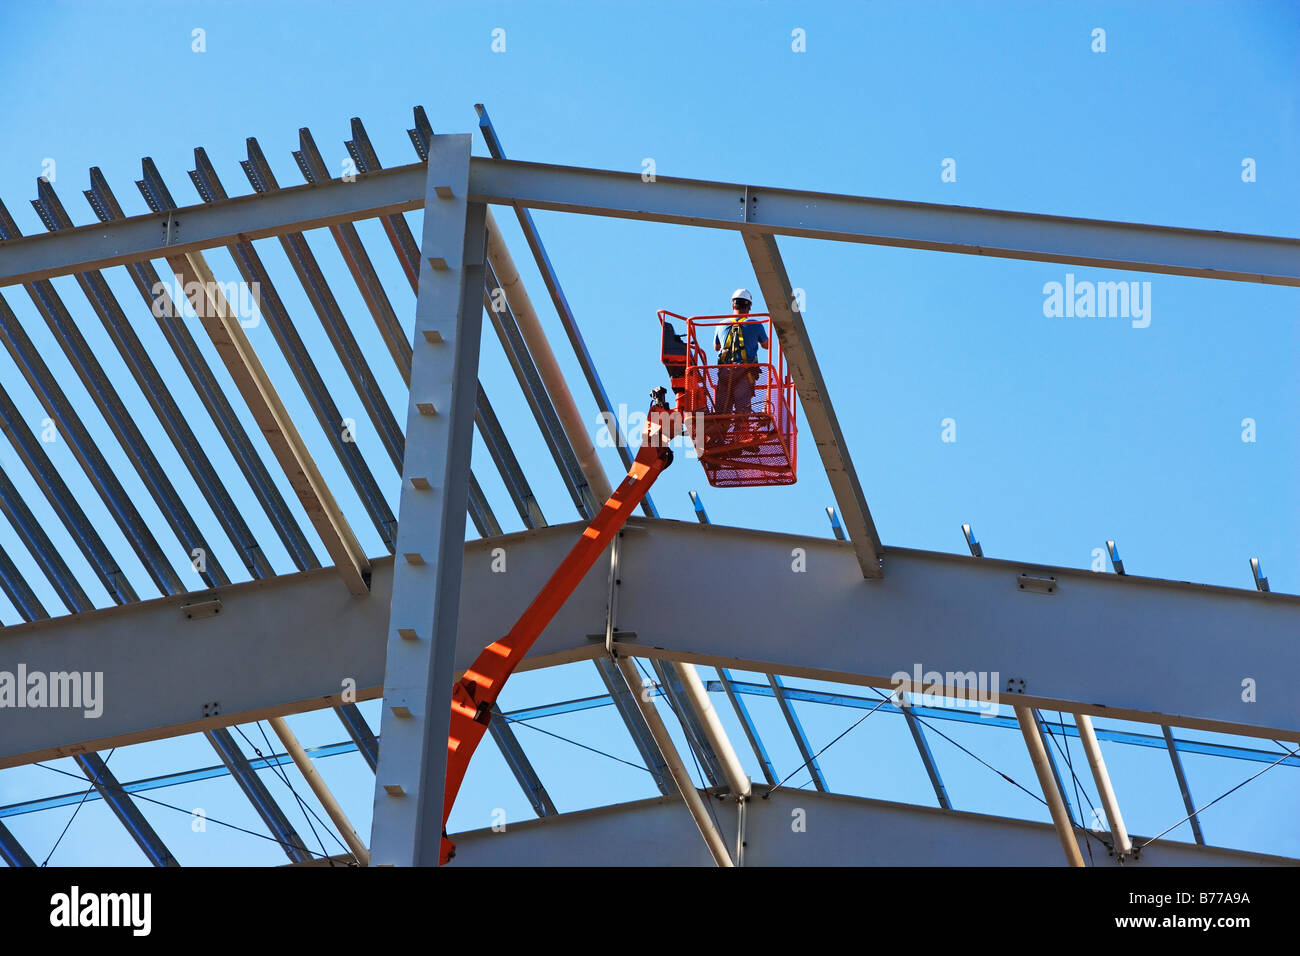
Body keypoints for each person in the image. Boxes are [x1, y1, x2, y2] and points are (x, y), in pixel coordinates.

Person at [712, 288, 768, 448]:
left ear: (733, 305)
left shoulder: (721, 324)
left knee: (722, 410)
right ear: (749, 307)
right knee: (742, 407)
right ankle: (740, 438)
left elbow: (716, 347)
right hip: (744, 373)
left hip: (724, 375)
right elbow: (766, 345)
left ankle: (718, 440)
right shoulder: (755, 324)